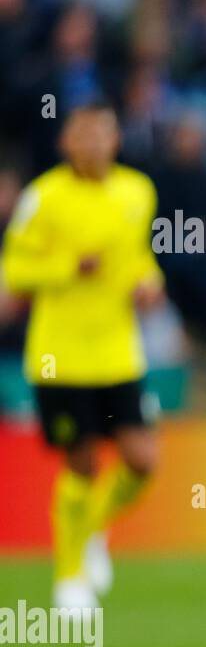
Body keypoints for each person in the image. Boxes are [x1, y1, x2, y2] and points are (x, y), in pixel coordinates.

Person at [1, 100, 163, 610]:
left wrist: (149, 282)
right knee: (84, 463)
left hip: (118, 352)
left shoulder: (137, 191)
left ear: (116, 141)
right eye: (83, 134)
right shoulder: (43, 196)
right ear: (65, 141)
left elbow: (138, 256)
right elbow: (15, 270)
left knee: (141, 460)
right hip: (61, 355)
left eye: (103, 134)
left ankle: (91, 530)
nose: (93, 143)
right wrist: (72, 265)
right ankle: (69, 577)